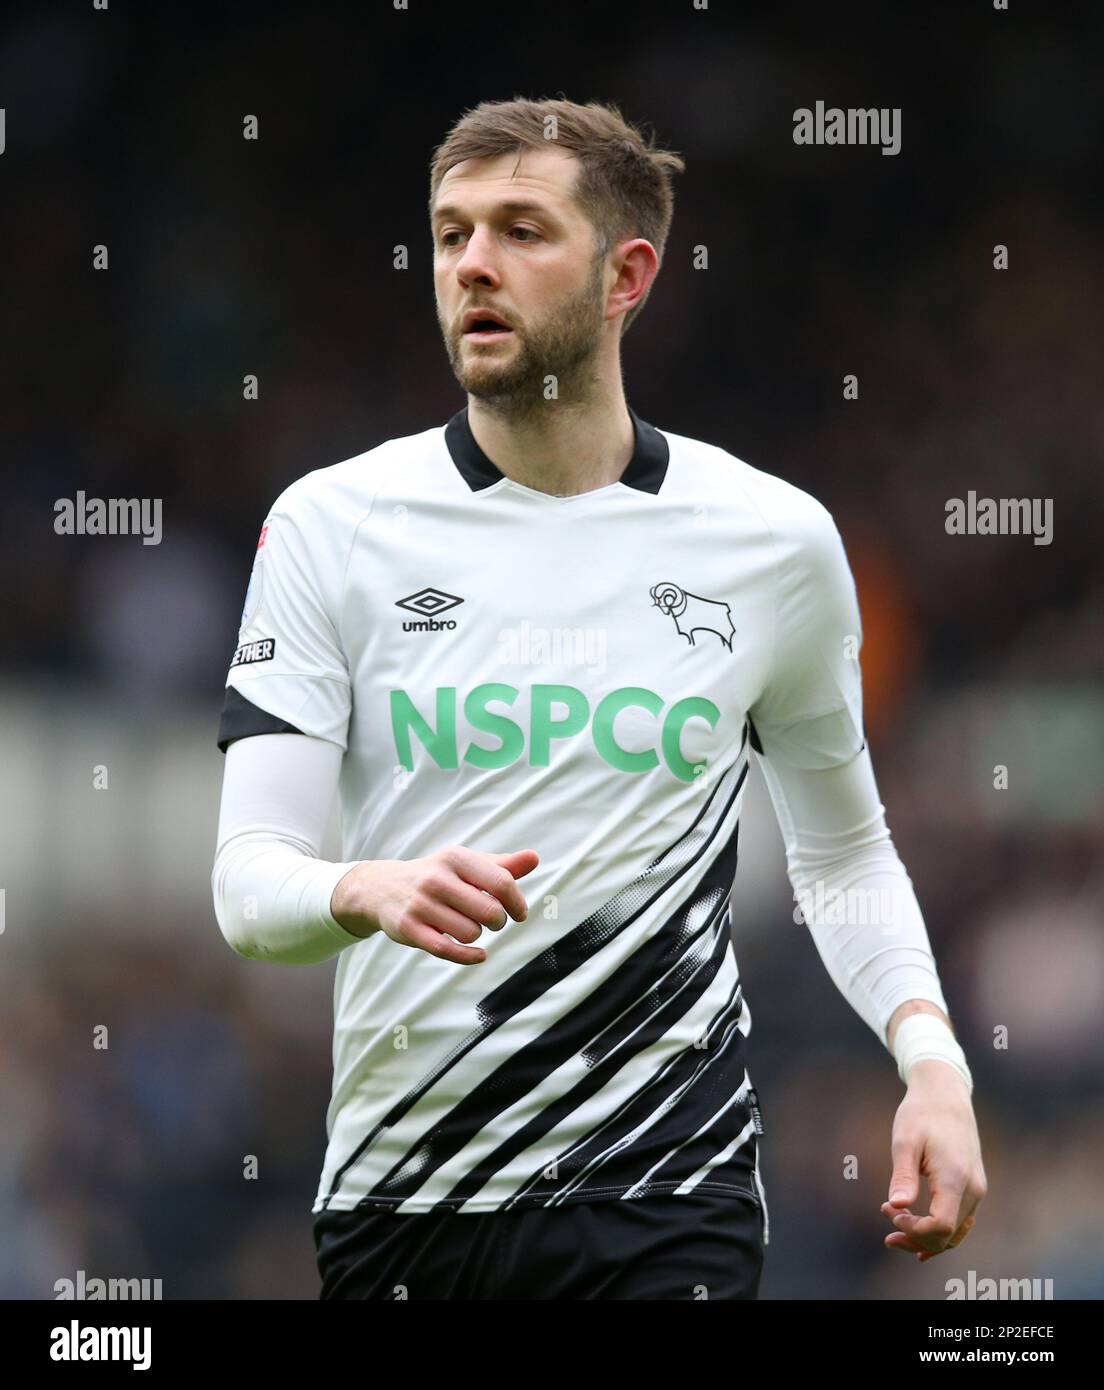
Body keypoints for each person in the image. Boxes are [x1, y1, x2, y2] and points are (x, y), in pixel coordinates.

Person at [211, 96, 985, 1300]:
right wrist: (365, 886)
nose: (473, 263)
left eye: (522, 229)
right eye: (451, 232)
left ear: (628, 275)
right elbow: (250, 884)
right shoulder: (330, 524)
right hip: (407, 1196)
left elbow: (843, 854)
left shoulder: (773, 541)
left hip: (670, 1190)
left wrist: (933, 1060)